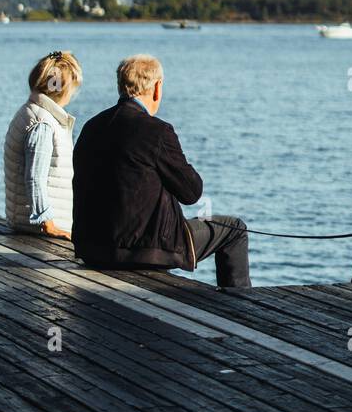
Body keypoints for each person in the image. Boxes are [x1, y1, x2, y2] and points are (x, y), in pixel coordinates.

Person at [72, 54, 252, 288]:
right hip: (146, 250)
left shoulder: (92, 126)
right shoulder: (157, 131)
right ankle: (239, 307)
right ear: (157, 88)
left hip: (92, 248)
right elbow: (191, 192)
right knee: (235, 230)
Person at [4, 50, 82, 239]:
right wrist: (47, 222)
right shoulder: (43, 123)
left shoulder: (29, 112)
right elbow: (35, 177)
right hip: (39, 229)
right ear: (62, 88)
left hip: (25, 223)